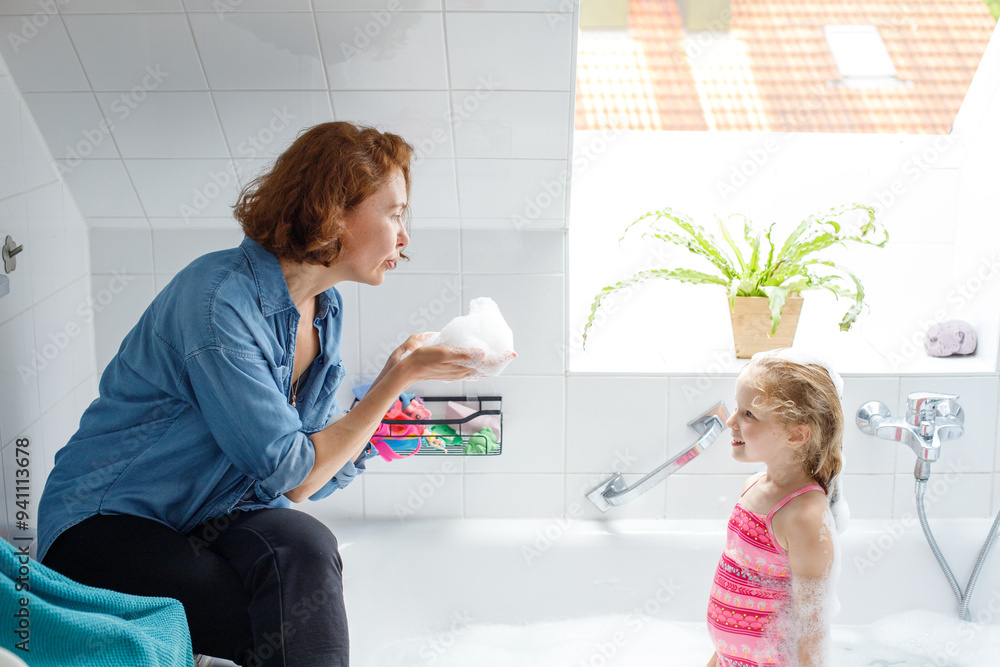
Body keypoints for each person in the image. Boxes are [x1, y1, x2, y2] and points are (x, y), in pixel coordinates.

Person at [37, 122, 476, 667]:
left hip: (205, 520)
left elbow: (300, 484)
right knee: (271, 619)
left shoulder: (325, 313)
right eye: (395, 213)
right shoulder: (218, 300)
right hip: (104, 528)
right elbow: (291, 469)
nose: (404, 237)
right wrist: (396, 380)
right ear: (336, 210)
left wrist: (384, 421)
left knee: (307, 547)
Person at [706, 352, 843, 667]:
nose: (731, 421)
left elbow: (812, 631)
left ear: (796, 434)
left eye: (749, 414)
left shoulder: (805, 515)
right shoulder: (752, 487)